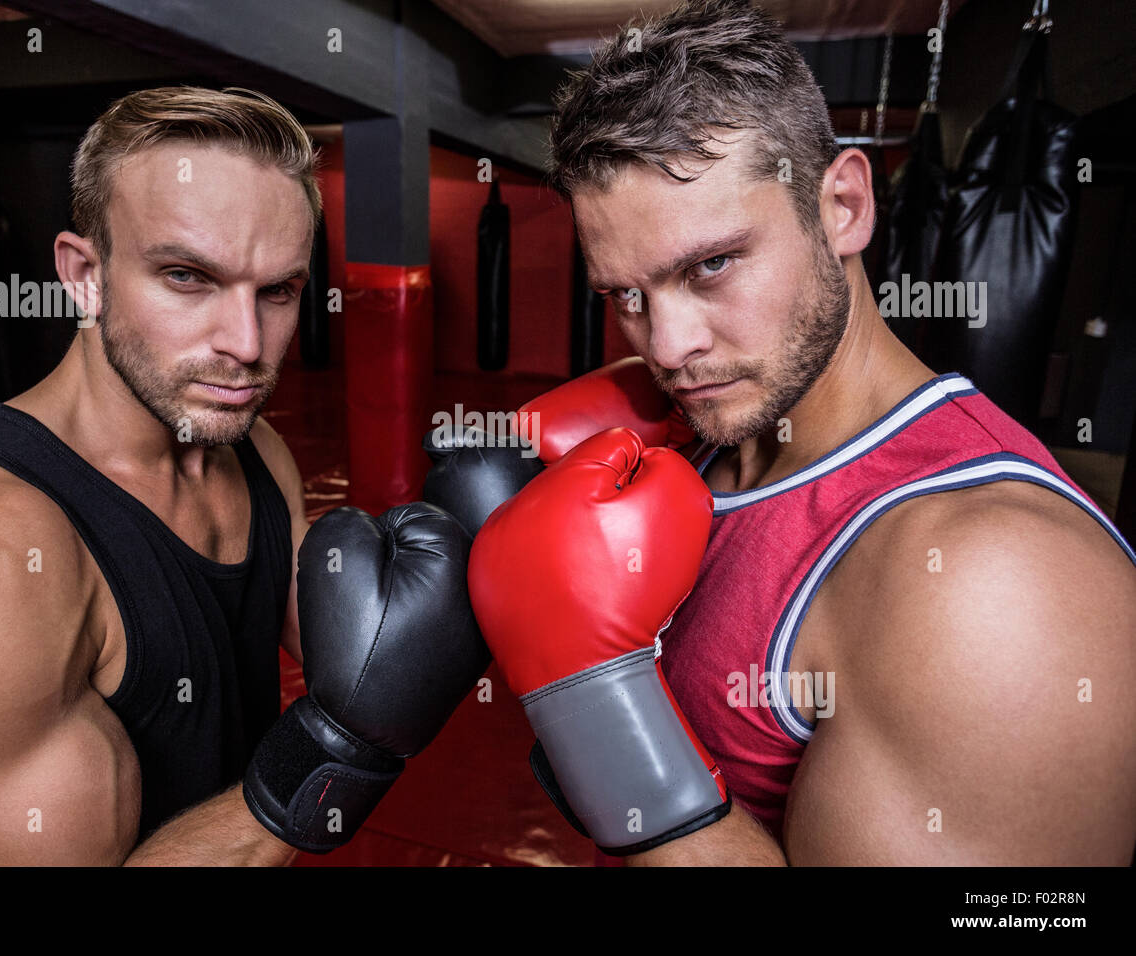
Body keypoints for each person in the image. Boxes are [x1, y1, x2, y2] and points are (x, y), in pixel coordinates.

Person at [469, 0, 1136, 865]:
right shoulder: (698, 432)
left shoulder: (994, 588)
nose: (669, 348)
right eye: (624, 294)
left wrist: (593, 709)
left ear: (844, 207)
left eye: (712, 264)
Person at [0, 86, 496, 865]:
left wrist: (491, 556)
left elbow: (364, 652)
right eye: (188, 276)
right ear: (84, 275)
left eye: (278, 290)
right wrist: (331, 759)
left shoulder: (256, 451)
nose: (247, 344)